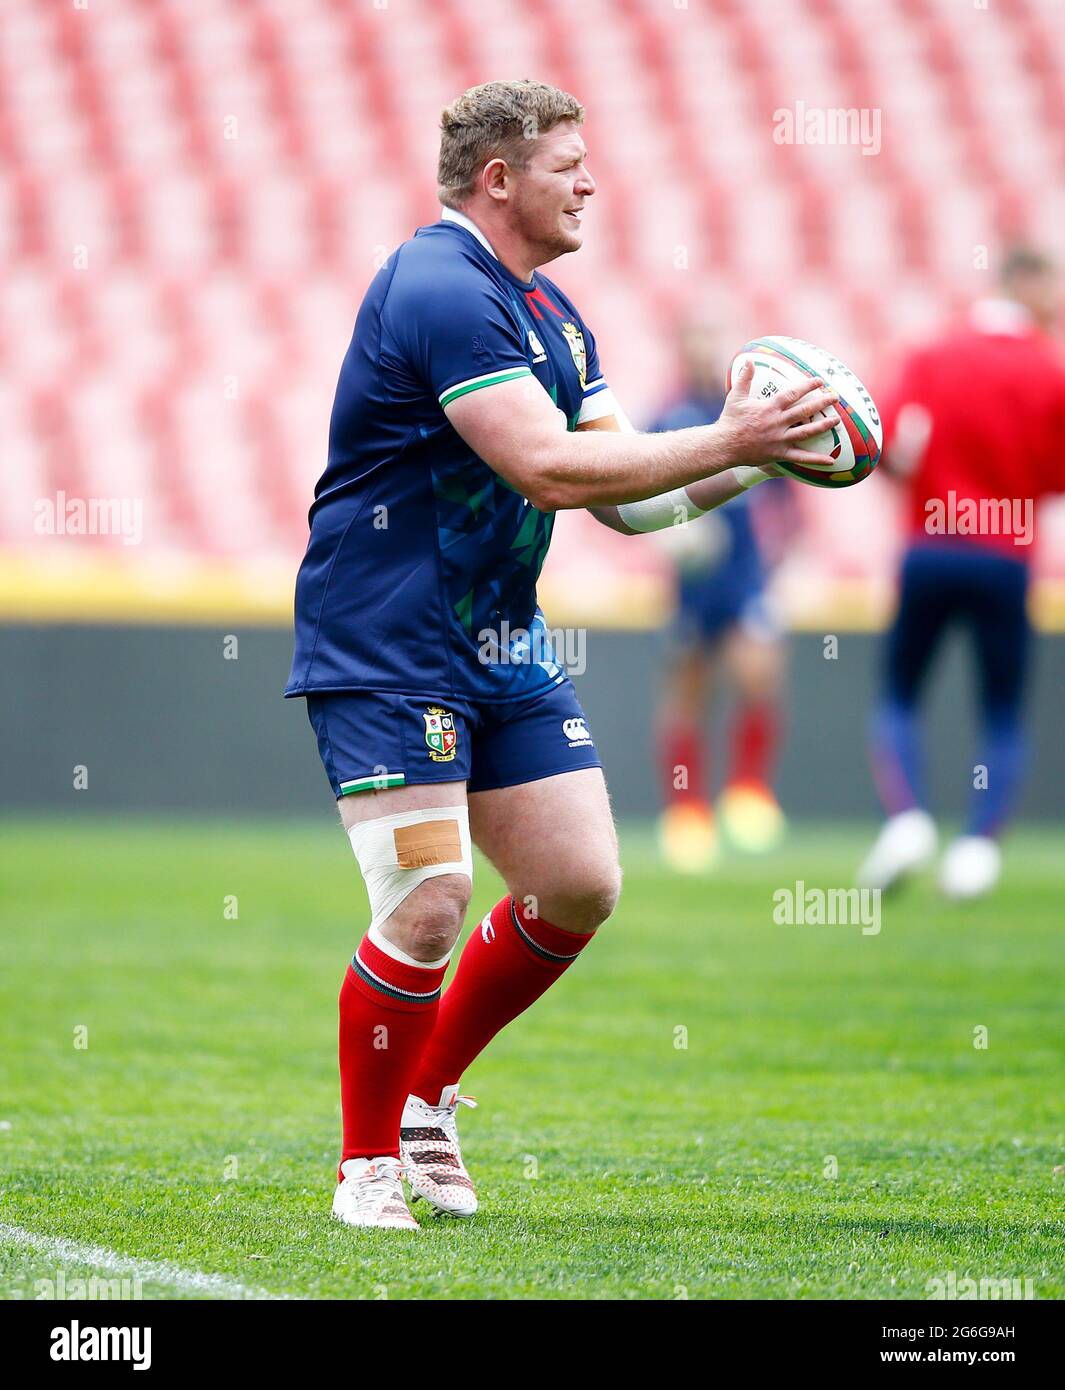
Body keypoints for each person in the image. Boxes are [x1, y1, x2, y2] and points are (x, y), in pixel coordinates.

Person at [285, 80, 840, 1229]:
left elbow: (626, 501)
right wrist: (736, 432)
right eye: (568, 164)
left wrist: (766, 457)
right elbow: (545, 467)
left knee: (579, 883)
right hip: (388, 644)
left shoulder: (553, 312)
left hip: (498, 639)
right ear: (501, 179)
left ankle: (430, 1095)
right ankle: (365, 1162)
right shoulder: (441, 284)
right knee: (432, 901)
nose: (591, 181)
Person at [858, 247, 1065, 899]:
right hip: (1004, 558)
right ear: (1026, 285)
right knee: (1001, 710)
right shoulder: (1048, 369)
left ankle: (907, 820)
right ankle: (976, 847)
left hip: (928, 547)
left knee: (898, 695)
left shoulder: (931, 354)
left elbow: (883, 450)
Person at [648, 316, 790, 872]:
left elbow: (787, 502)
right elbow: (642, 489)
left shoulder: (750, 415)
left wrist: (783, 561)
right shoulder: (670, 415)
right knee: (689, 691)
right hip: (694, 585)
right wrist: (674, 535)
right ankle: (686, 814)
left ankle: (748, 793)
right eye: (696, 340)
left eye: (712, 339)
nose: (705, 351)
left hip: (747, 577)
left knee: (759, 676)